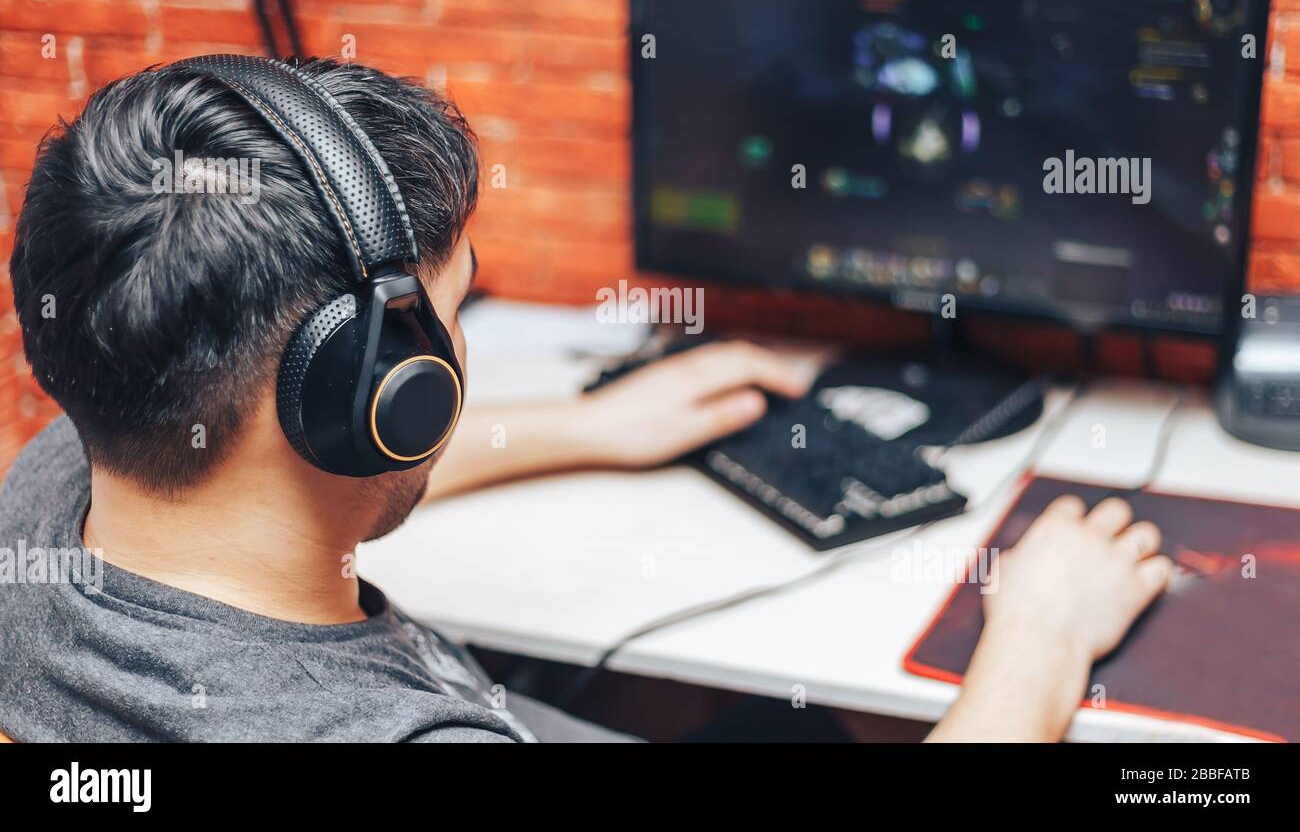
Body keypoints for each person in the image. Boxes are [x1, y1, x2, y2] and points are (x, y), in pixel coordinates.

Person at [0, 58, 1173, 742]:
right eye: (453, 317)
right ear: (379, 401)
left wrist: (590, 427)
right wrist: (1040, 635)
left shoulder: (66, 475)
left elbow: (254, 476)